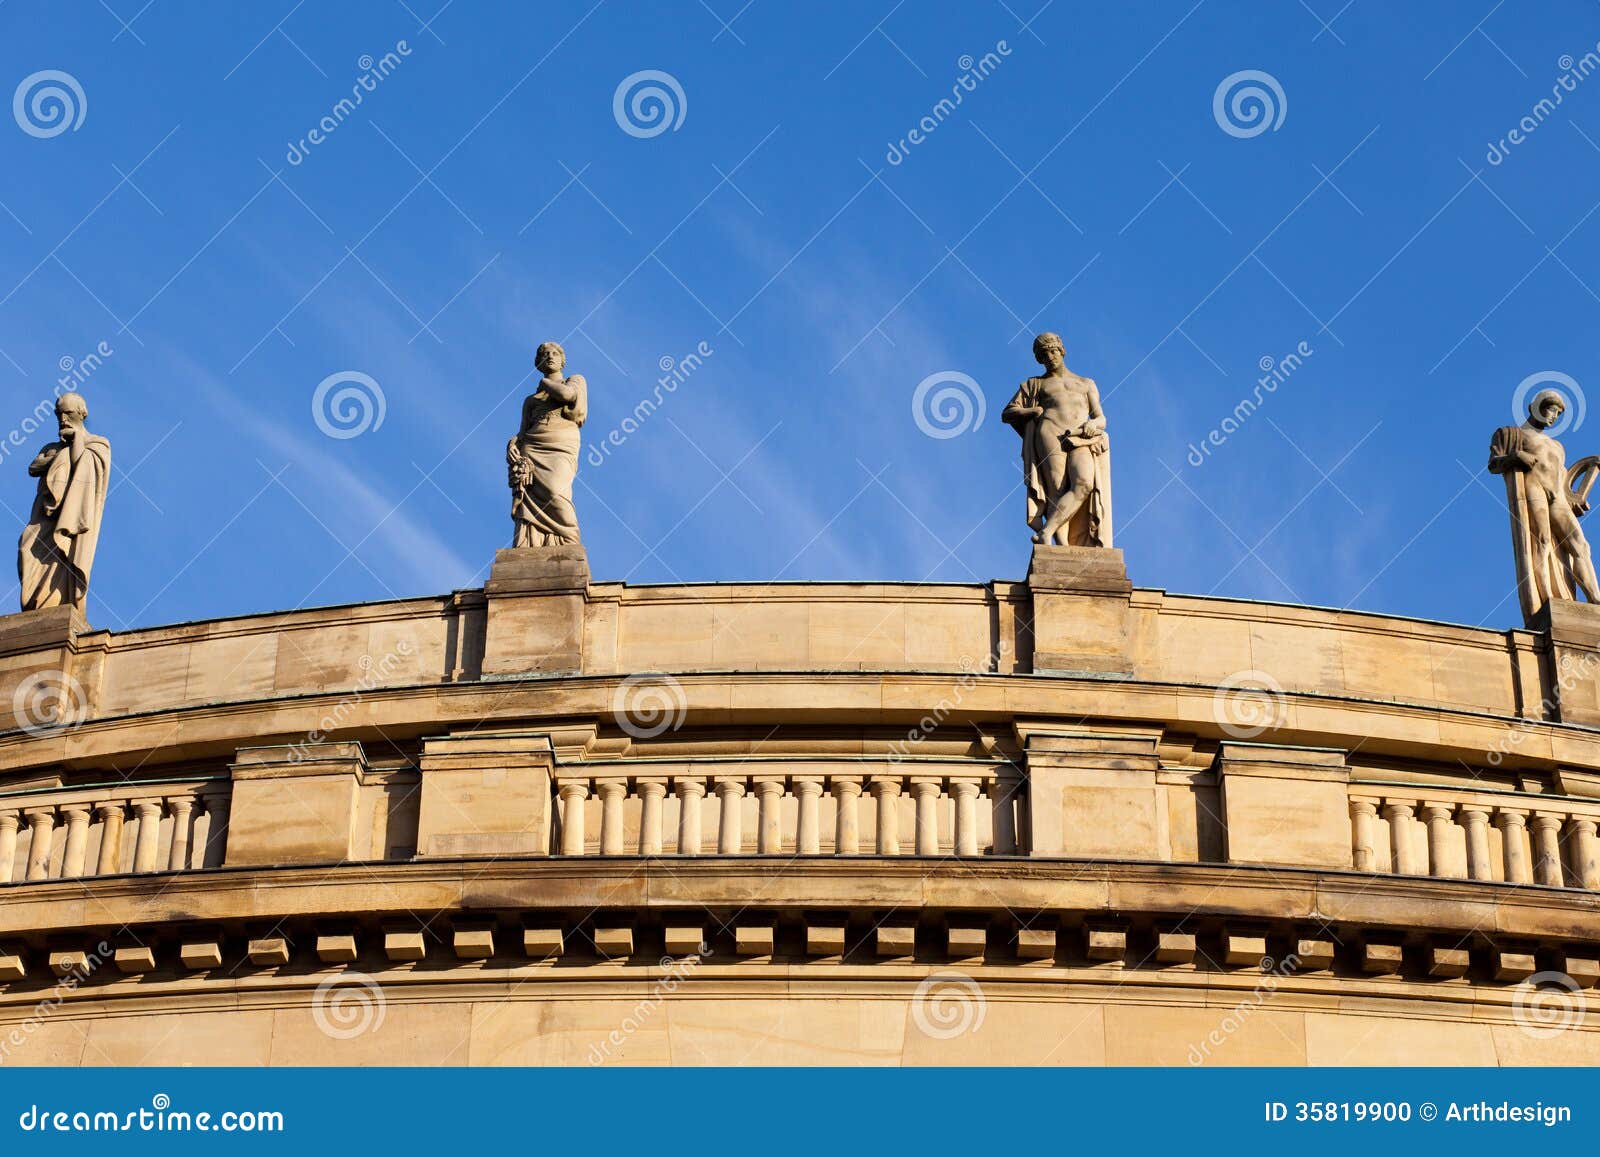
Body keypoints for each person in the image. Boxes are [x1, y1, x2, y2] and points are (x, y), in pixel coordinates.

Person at [1489, 389, 1600, 606]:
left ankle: (1595, 599)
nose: (1554, 416)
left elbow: (1562, 478)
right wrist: (1515, 456)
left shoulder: (1557, 446)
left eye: (1558, 413)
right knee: (1542, 541)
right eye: (1551, 410)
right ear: (1537, 408)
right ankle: (1546, 596)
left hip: (1557, 496)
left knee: (1581, 545)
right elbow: (1494, 464)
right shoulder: (1513, 434)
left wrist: (1575, 498)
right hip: (1534, 488)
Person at [1001, 332, 1112, 547]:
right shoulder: (1036, 384)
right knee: (1056, 490)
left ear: (1062, 351)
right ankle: (1062, 549)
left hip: (1079, 437)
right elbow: (1008, 413)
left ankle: (1047, 530)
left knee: (1084, 483)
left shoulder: (1086, 383)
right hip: (1050, 432)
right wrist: (1033, 411)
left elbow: (1101, 417)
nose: (1050, 357)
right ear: (1040, 360)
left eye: (1052, 351)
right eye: (1044, 355)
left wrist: (1092, 425)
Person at [19, 392, 111, 613]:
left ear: (82, 413)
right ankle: (35, 606)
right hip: (43, 516)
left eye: (68, 413)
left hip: (70, 520)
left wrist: (76, 440)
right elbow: (33, 467)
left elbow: (84, 464)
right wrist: (59, 453)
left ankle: (55, 604)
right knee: (26, 546)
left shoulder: (97, 444)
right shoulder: (52, 447)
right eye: (59, 414)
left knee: (63, 554)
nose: (63, 419)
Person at [508, 341, 587, 547]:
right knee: (531, 495)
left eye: (555, 353)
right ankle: (531, 544)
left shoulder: (575, 380)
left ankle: (569, 539)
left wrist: (545, 384)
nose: (550, 356)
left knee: (555, 492)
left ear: (562, 361)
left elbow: (567, 396)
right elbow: (523, 431)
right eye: (544, 354)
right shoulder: (531, 400)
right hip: (532, 448)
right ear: (539, 363)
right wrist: (514, 443)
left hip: (561, 444)